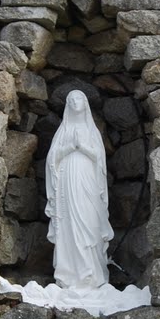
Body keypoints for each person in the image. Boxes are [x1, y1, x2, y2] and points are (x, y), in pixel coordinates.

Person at [44, 89, 113, 290]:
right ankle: (70, 274)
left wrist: (82, 147)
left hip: (87, 180)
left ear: (85, 103)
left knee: (88, 220)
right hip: (66, 181)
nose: (75, 102)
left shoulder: (92, 131)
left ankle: (92, 273)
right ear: (67, 104)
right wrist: (67, 149)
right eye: (71, 99)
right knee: (68, 223)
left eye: (79, 99)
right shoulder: (63, 131)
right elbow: (51, 159)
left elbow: (100, 160)